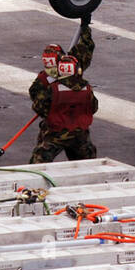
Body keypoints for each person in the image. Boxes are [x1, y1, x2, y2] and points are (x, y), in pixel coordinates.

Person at [28, 17, 98, 163]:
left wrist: (54, 110)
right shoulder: (84, 86)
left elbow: (38, 105)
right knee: (88, 163)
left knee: (39, 164)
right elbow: (93, 107)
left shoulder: (46, 81)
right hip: (79, 133)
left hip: (55, 132)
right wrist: (85, 28)